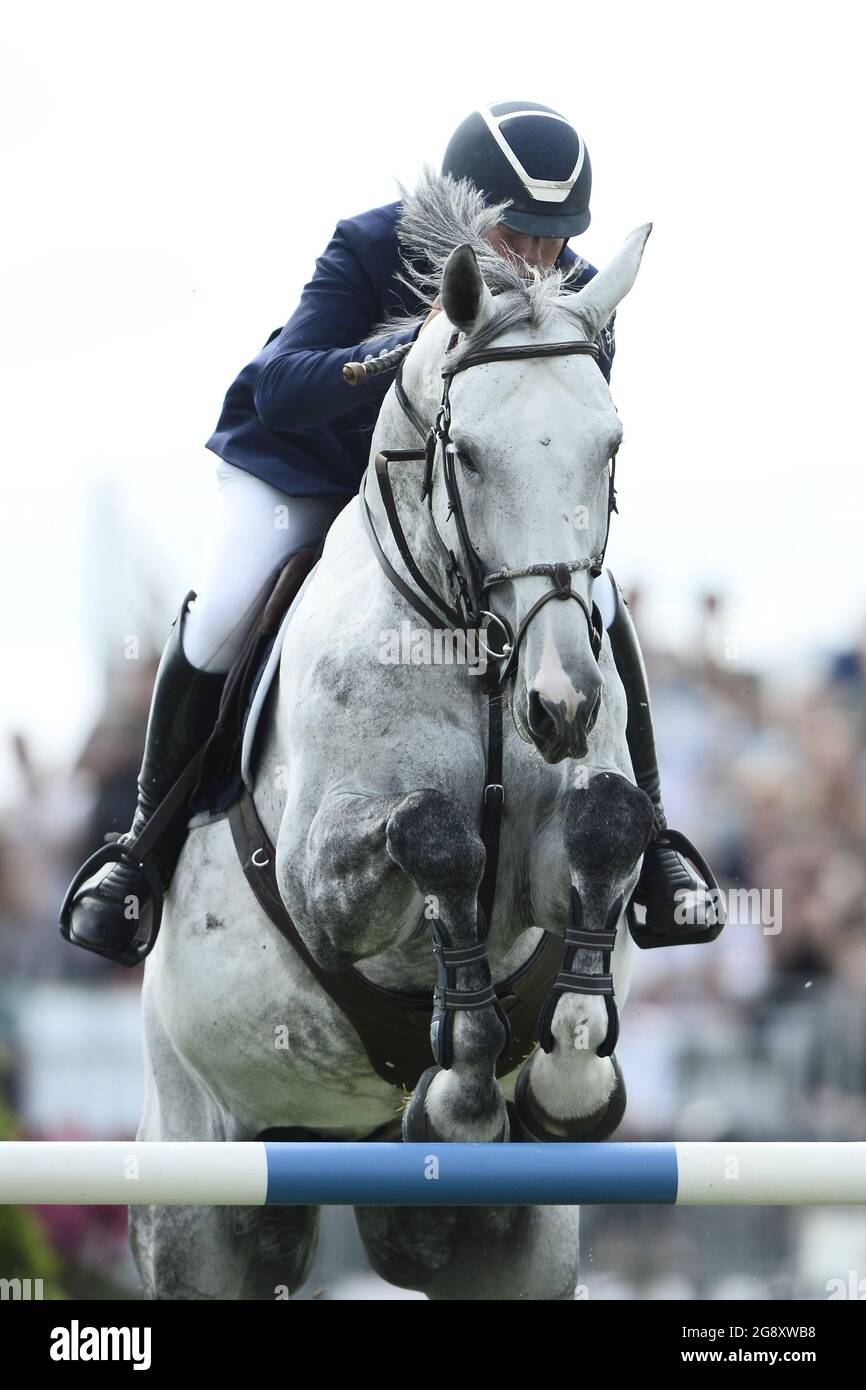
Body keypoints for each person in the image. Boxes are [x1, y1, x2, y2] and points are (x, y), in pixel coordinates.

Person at [62, 100, 721, 965]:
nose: (538, 260)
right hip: (307, 474)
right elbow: (280, 388)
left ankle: (659, 839)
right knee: (223, 608)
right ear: (464, 213)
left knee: (593, 592)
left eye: (555, 240)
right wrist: (411, 346)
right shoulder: (372, 247)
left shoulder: (579, 292)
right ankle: (141, 849)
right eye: (515, 234)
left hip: (447, 502)